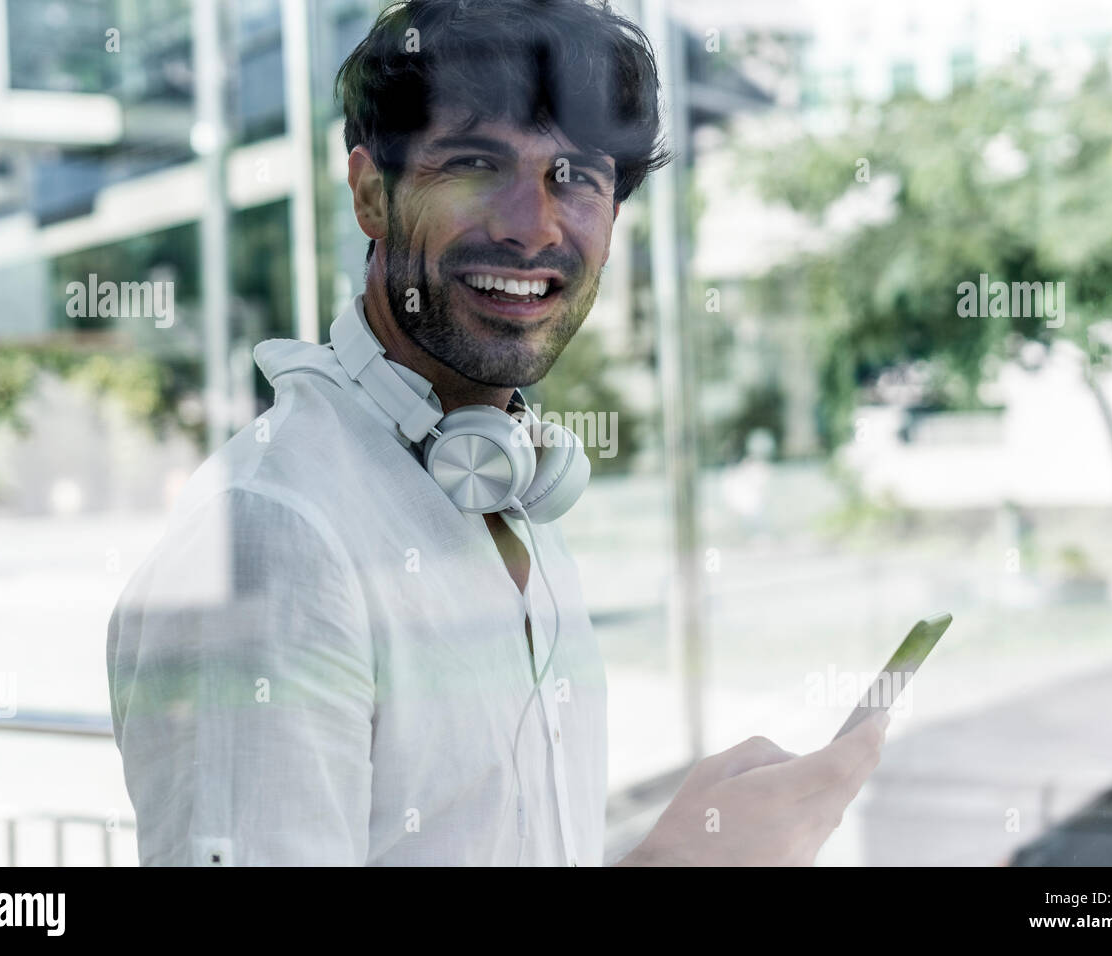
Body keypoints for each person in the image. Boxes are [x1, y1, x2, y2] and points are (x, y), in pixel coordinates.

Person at [106, 0, 886, 867]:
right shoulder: (272, 532)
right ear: (371, 193)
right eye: (476, 164)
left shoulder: (511, 486)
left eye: (576, 177)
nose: (532, 224)